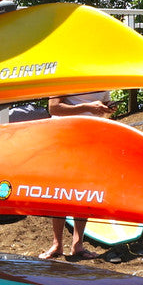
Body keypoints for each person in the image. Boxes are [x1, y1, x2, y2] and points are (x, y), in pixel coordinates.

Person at [39, 92, 116, 260]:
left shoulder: (102, 77)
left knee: (84, 189)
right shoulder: (67, 75)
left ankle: (77, 244)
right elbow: (54, 107)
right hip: (65, 137)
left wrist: (108, 107)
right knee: (60, 189)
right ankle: (57, 244)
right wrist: (88, 107)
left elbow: (102, 104)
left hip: (90, 136)